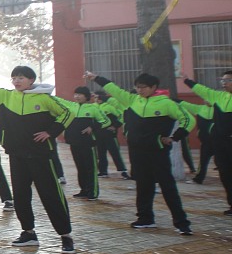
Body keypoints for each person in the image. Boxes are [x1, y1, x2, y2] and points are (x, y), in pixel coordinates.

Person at [0, 66, 77, 254]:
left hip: (41, 155)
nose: (17, 81)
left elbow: (69, 112)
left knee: (51, 194)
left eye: (21, 78)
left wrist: (51, 132)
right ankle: (28, 233)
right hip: (16, 155)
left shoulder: (44, 98)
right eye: (14, 78)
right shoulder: (5, 97)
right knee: (20, 195)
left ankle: (65, 236)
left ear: (31, 80)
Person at [85, 71, 194, 234]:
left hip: (158, 152)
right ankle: (145, 219)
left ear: (153, 87)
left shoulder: (167, 103)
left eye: (143, 87)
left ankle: (182, 223)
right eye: (137, 87)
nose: (140, 90)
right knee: (143, 186)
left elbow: (188, 120)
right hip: (137, 152)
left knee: (168, 186)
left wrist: (174, 137)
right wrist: (95, 78)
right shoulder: (132, 100)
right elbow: (113, 88)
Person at [183, 71, 232, 214]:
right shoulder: (218, 96)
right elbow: (202, 90)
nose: (224, 83)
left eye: (228, 80)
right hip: (220, 143)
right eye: (222, 80)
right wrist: (188, 81)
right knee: (225, 173)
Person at [61, 86, 109, 200]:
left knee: (90, 168)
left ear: (86, 96)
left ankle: (93, 192)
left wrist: (92, 127)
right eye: (75, 94)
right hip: (74, 143)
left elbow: (106, 121)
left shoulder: (93, 108)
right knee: (80, 167)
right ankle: (84, 190)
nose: (77, 96)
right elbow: (57, 100)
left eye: (80, 94)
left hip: (88, 143)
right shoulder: (71, 106)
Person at [94, 91, 130, 178]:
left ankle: (123, 171)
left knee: (115, 153)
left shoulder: (110, 107)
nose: (97, 99)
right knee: (101, 154)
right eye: (95, 97)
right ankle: (103, 172)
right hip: (98, 135)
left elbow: (121, 116)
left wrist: (115, 126)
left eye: (99, 97)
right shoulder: (93, 107)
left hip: (110, 135)